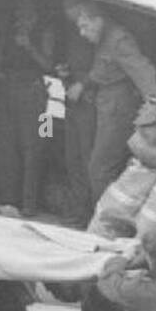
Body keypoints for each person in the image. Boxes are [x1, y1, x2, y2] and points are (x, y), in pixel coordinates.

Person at [64, 0, 156, 203]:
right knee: (99, 166)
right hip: (106, 105)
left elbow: (143, 71)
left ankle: (105, 221)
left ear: (98, 20)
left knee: (99, 169)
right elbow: (103, 69)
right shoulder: (104, 38)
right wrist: (84, 84)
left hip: (118, 108)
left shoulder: (118, 39)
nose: (82, 33)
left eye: (85, 26)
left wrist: (155, 106)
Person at [0, 0, 54, 214]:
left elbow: (49, 65)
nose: (21, 16)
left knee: (33, 146)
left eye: (25, 12)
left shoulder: (45, 32)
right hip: (10, 88)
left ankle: (29, 205)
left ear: (34, 12)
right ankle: (7, 200)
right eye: (19, 12)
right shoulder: (10, 29)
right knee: (6, 145)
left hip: (34, 92)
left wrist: (29, 46)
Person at [58, 17, 97, 224]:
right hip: (69, 105)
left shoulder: (96, 42)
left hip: (88, 105)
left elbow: (102, 70)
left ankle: (86, 212)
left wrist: (82, 84)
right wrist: (65, 76)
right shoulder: (73, 38)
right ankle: (77, 210)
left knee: (86, 159)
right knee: (72, 158)